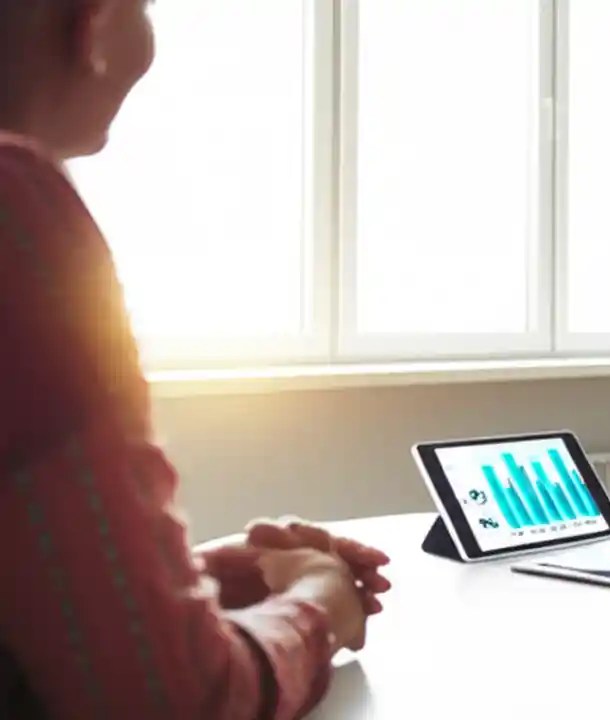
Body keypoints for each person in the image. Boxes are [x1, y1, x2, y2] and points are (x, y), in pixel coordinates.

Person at [0, 1, 390, 717]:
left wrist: (182, 586)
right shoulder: (16, 217)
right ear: (97, 26)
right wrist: (320, 604)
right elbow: (177, 701)